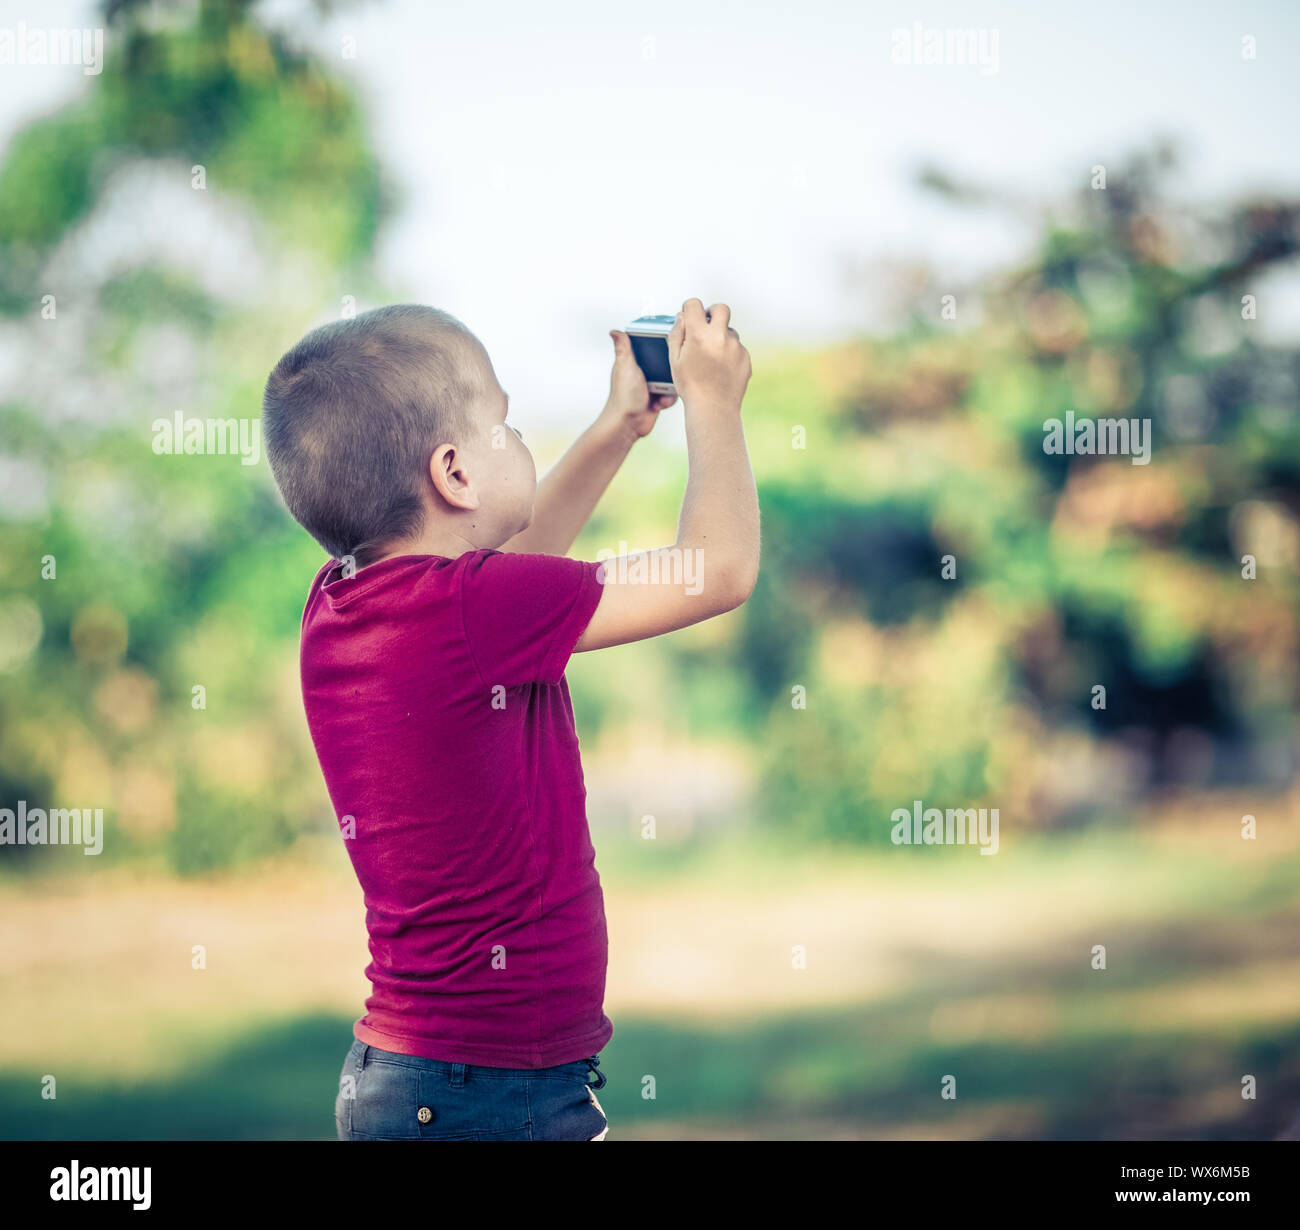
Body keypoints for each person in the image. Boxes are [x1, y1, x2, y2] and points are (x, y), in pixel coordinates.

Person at [261, 297, 759, 1139]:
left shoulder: (343, 607)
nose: (521, 435)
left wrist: (616, 429)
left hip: (409, 1081)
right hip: (492, 1093)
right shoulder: (472, 611)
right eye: (506, 420)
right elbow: (718, 572)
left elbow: (508, 568)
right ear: (454, 473)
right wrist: (714, 404)